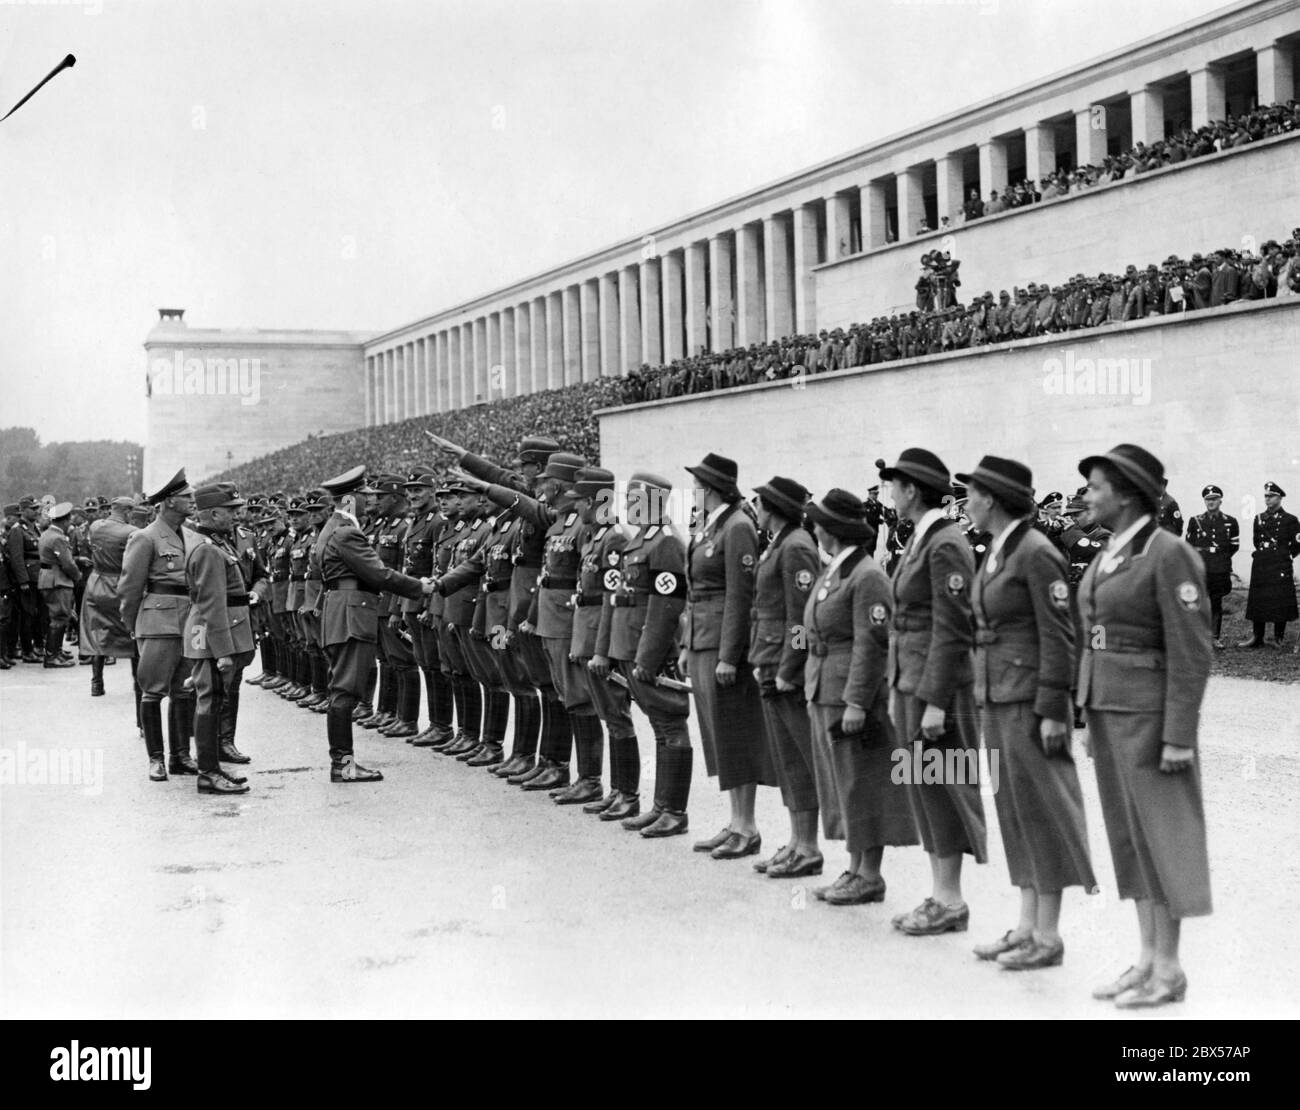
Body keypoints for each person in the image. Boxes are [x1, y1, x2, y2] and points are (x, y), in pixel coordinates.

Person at [1075, 443, 1212, 1008]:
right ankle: (1147, 958)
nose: (1086, 495)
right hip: (1110, 713)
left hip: (1152, 719)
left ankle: (1170, 967)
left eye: (1096, 487)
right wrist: (1086, 710)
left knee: (1164, 840)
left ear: (1127, 494)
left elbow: (1192, 650)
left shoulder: (1167, 553)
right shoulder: (1111, 552)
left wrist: (1179, 734)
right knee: (1130, 840)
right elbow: (1091, 634)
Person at [958, 456, 1096, 970]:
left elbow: (1059, 635)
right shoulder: (1001, 548)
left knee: (1041, 811)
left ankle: (1049, 934)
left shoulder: (1036, 552)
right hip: (997, 696)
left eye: (971, 493)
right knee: (1015, 812)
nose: (966, 502)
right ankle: (1025, 924)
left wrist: (1055, 709)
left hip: (1030, 701)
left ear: (991, 498)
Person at [880, 448, 987, 935]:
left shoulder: (944, 542)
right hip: (912, 682)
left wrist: (936, 702)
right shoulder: (923, 537)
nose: (890, 493)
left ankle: (950, 899)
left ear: (913, 490)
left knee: (946, 787)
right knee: (924, 789)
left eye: (895, 484)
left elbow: (953, 626)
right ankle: (940, 894)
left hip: (935, 689)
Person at [803, 489, 918, 903]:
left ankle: (869, 874)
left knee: (862, 783)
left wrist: (856, 701)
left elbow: (872, 643)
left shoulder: (867, 575)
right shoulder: (838, 570)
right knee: (842, 784)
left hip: (847, 692)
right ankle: (853, 869)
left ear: (833, 529)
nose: (814, 528)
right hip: (825, 685)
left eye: (819, 522)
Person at [314, 466, 435, 782]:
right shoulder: (346, 532)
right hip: (352, 614)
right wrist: (419, 587)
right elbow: (379, 573)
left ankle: (342, 762)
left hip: (339, 611)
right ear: (351, 498)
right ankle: (343, 764)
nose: (369, 501)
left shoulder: (330, 528)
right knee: (345, 690)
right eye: (365, 496)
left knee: (341, 687)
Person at [683, 453, 775, 861]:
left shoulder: (738, 526)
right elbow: (695, 590)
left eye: (700, 485)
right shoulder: (713, 525)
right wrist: (687, 645)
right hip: (703, 639)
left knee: (735, 734)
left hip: (723, 644)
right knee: (718, 736)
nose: (696, 491)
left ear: (713, 488)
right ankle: (735, 821)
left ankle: (747, 825)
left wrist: (728, 654)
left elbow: (740, 595)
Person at [593, 471, 692, 836]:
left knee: (671, 725)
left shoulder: (665, 542)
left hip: (651, 652)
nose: (627, 506)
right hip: (632, 648)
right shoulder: (643, 540)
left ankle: (675, 812)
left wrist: (648, 658)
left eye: (636, 500)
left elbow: (666, 608)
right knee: (660, 727)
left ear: (655, 502)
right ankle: (661, 806)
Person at [749, 476, 823, 877]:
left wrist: (791, 667)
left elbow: (800, 617)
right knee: (786, 758)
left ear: (773, 507)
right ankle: (797, 841)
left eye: (759, 502)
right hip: (769, 658)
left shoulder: (795, 545)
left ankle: (808, 845)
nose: (755, 508)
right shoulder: (778, 542)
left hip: (783, 665)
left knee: (797, 756)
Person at [118, 470, 199, 782]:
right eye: (187, 497)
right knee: (152, 691)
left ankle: (180, 755)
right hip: (158, 621)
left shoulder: (191, 535)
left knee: (184, 690)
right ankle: (156, 758)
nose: (193, 501)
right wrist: (135, 625)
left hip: (190, 620)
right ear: (169, 502)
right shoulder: (145, 537)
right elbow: (129, 589)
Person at [182, 485, 257, 796]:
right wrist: (224, 653)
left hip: (214, 634)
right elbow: (213, 605)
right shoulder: (210, 549)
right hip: (212, 637)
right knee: (210, 702)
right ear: (213, 514)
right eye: (230, 510)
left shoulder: (215, 544)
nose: (235, 515)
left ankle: (212, 766)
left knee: (213, 700)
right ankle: (208, 773)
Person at [79, 495, 139, 695]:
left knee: (98, 633)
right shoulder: (131, 532)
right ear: (127, 511)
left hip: (96, 582)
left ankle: (96, 683)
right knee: (132, 631)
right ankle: (137, 682)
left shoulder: (95, 526)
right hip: (118, 584)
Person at [1237, 481, 1300, 649]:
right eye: (1266, 496)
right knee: (1259, 599)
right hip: (1262, 564)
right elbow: (1257, 541)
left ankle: (1278, 637)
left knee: (1280, 598)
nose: (1267, 499)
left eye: (1271, 496)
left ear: (1279, 498)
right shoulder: (1259, 519)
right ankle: (1257, 636)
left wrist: (1285, 556)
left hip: (1280, 564)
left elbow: (1296, 544)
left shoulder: (1291, 520)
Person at [1184, 484, 1239, 649]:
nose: (1211, 502)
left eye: (1214, 499)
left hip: (1219, 569)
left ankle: (1214, 637)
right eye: (1208, 499)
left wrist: (1221, 559)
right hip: (1200, 568)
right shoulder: (1196, 521)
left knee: (1216, 603)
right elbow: (1189, 545)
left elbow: (1234, 546)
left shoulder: (1230, 522)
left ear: (1220, 500)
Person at [37, 502, 82, 668]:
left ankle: (55, 651)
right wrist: (78, 576)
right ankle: (51, 656)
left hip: (48, 578)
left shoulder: (46, 534)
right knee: (60, 617)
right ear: (64, 521)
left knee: (59, 616)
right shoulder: (58, 538)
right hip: (58, 580)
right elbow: (67, 563)